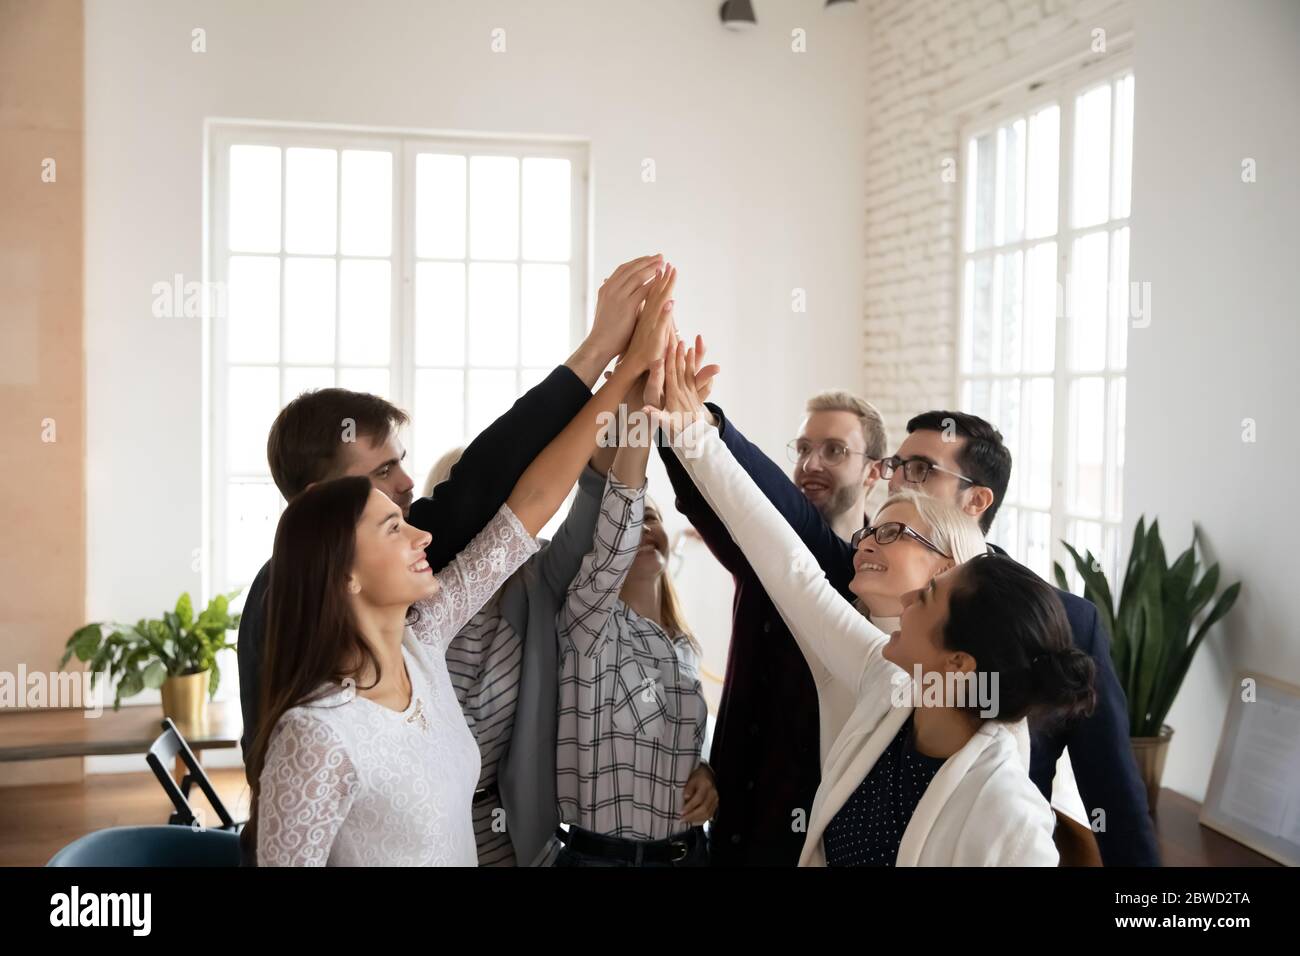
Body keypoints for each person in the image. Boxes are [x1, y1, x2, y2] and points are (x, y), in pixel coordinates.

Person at [248, 267, 677, 866]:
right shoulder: (316, 734)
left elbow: (526, 505)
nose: (424, 528)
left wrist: (627, 370)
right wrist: (611, 356)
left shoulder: (422, 641)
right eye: (393, 525)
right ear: (341, 569)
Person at [667, 345, 1160, 866]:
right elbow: (786, 559)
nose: (897, 482)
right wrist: (691, 428)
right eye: (898, 467)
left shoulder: (1008, 810)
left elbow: (1115, 801)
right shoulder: (885, 674)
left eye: (920, 471)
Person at [656, 377, 887, 865]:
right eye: (803, 448)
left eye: (834, 450)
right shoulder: (757, 548)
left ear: (874, 473)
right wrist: (665, 414)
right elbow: (706, 498)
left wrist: (707, 423)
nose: (811, 463)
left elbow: (791, 524)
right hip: (733, 822)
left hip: (812, 838)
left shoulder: (870, 576)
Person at [548, 370, 715, 867]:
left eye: (655, 518)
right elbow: (619, 510)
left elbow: (679, 743)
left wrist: (706, 770)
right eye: (635, 518)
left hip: (690, 855)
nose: (644, 528)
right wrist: (643, 402)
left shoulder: (683, 644)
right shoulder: (588, 619)